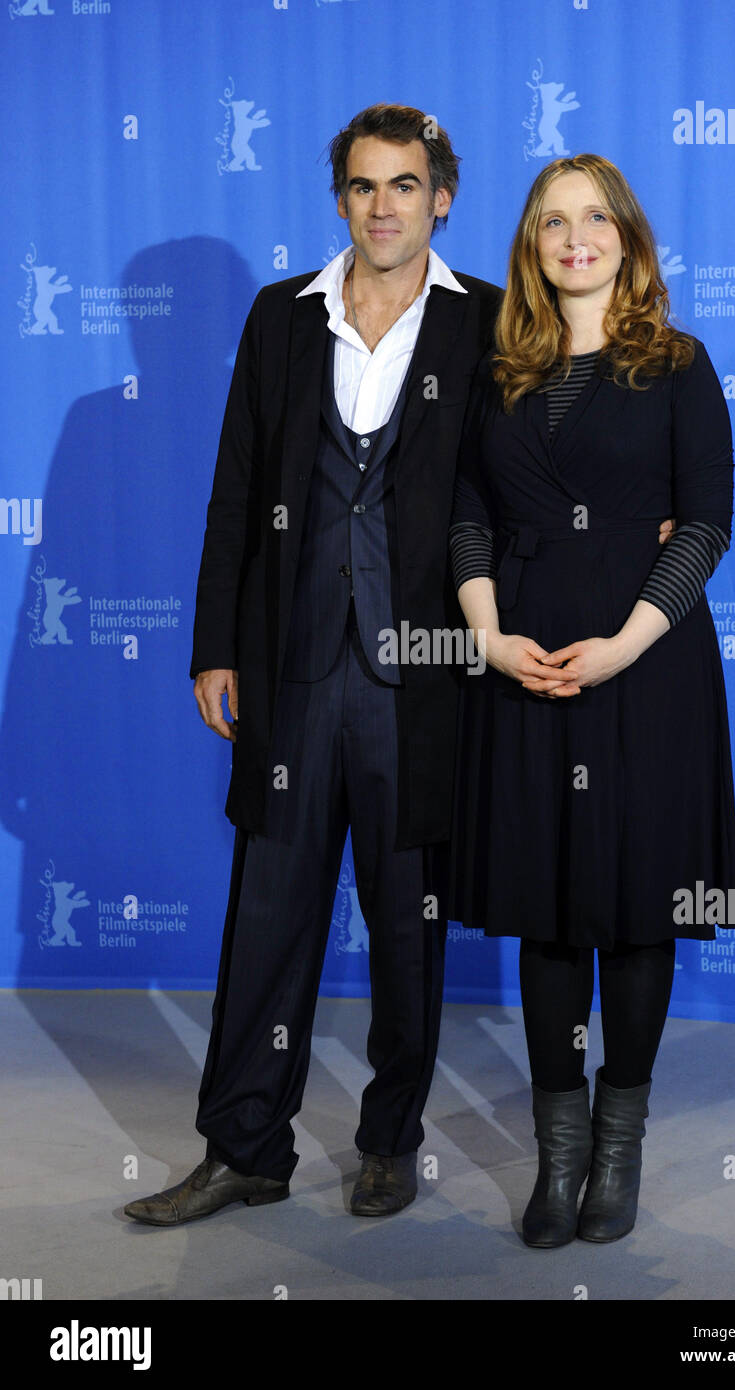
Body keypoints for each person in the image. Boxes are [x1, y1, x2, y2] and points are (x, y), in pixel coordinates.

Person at [123, 104, 502, 1226]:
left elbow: (506, 496)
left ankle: (389, 1140)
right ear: (338, 197)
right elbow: (235, 488)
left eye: (404, 184)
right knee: (269, 915)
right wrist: (214, 646)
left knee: (405, 920)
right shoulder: (278, 319)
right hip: (291, 673)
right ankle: (245, 1145)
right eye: (362, 185)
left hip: (423, 676)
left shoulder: (484, 323)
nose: (382, 205)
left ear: (443, 196)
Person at [447, 153, 735, 1248]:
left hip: (644, 666)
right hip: (521, 660)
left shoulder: (677, 363)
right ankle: (556, 1156)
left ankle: (617, 1151)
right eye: (552, 221)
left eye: (595, 218)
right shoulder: (499, 372)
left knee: (635, 904)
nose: (576, 237)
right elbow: (465, 512)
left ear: (627, 234)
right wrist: (484, 631)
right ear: (531, 244)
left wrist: (622, 643)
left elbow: (706, 522)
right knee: (550, 905)